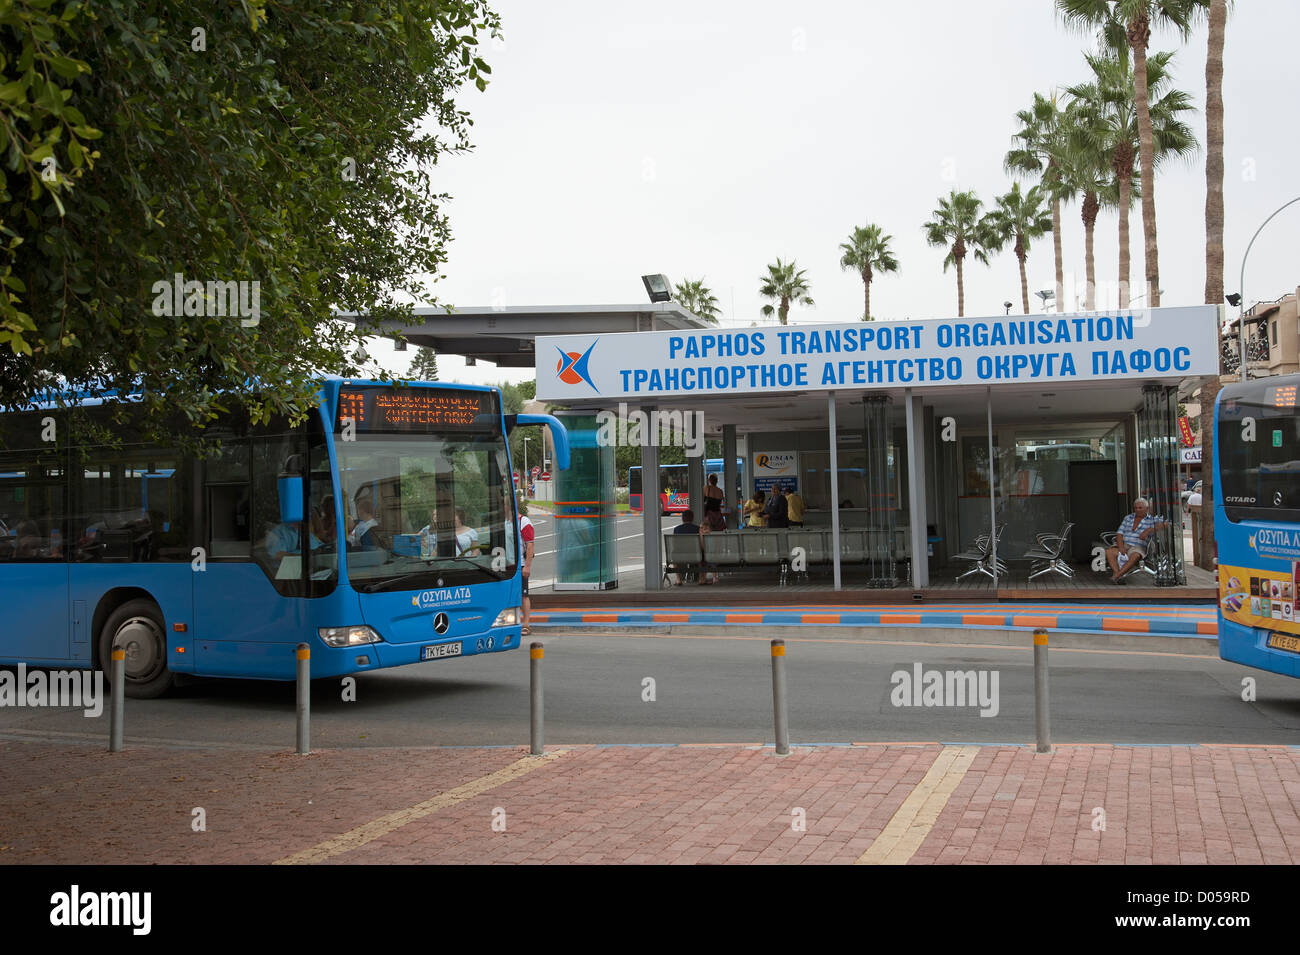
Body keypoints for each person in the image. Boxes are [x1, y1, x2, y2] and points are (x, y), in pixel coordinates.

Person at [1106, 497, 1156, 583]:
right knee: (1109, 552)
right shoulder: (1128, 518)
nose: (1137, 510)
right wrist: (1121, 547)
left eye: (1140, 508)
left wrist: (1149, 530)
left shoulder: (1151, 520)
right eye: (1136, 508)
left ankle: (1116, 576)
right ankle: (1118, 574)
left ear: (1147, 509)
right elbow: (1119, 533)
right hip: (1125, 544)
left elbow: (1165, 524)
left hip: (1138, 546)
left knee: (1135, 556)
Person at [516, 490, 534, 636]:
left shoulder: (524, 521)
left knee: (524, 594)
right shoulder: (503, 522)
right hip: (505, 564)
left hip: (520, 564)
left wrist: (527, 566)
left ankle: (526, 623)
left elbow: (530, 545)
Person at [699, 498, 726, 584]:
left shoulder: (708, 515)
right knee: (712, 559)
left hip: (705, 554)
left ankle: (702, 578)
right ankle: (714, 577)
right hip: (714, 551)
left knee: (703, 560)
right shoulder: (719, 515)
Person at [672, 508, 701, 585]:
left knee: (674, 554)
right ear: (692, 518)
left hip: (679, 556)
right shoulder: (697, 529)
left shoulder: (677, 529)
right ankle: (701, 578)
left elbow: (674, 544)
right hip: (695, 556)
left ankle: (678, 579)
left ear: (682, 518)